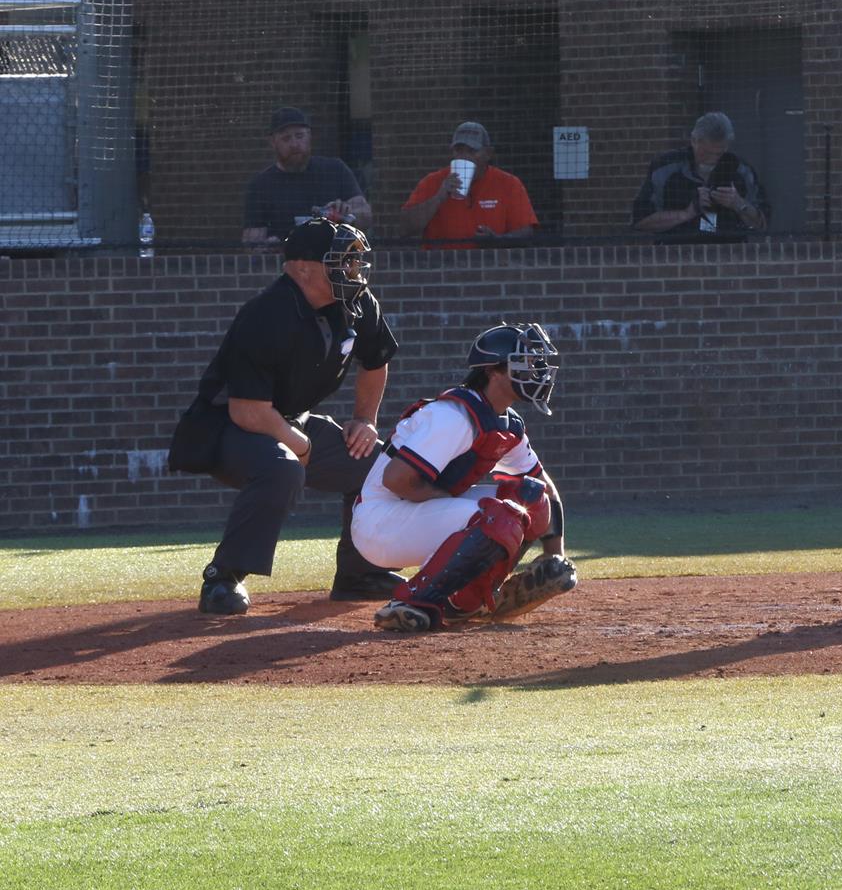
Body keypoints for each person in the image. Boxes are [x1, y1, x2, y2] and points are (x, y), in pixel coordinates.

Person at [166, 218, 402, 613]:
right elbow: (247, 410)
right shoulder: (266, 315)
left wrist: (365, 420)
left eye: (355, 261)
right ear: (303, 267)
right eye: (341, 261)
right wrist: (298, 442)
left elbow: (376, 361)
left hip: (288, 419)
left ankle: (360, 575)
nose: (352, 271)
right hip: (227, 428)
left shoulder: (358, 304)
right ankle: (223, 578)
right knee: (283, 468)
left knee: (381, 466)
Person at [358, 323, 574, 633]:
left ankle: (468, 601)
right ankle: (412, 601)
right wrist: (464, 513)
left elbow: (544, 491)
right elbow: (397, 480)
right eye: (524, 364)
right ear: (493, 371)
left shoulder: (505, 422)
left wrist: (556, 557)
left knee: (530, 497)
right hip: (380, 523)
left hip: (415, 512)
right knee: (499, 517)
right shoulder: (453, 416)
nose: (536, 372)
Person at [242, 107, 371, 247]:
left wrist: (346, 213)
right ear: (273, 142)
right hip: (285, 263)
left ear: (310, 136)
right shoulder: (261, 185)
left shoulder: (335, 170)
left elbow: (366, 217)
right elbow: (251, 242)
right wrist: (267, 246)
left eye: (299, 136)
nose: (294, 144)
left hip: (332, 261)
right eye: (286, 138)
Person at [631, 112, 770, 241]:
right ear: (693, 141)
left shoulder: (741, 171)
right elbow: (640, 221)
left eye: (718, 154)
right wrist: (688, 213)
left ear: (726, 147)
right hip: (676, 255)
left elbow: (762, 224)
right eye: (705, 153)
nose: (711, 159)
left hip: (730, 255)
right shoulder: (666, 168)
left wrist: (738, 203)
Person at [401, 121, 539, 249]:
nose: (464, 156)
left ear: (488, 154)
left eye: (472, 151)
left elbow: (526, 233)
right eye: (459, 150)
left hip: (489, 267)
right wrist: (439, 197)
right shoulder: (432, 181)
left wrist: (497, 240)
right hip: (441, 267)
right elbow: (406, 228)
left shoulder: (509, 184)